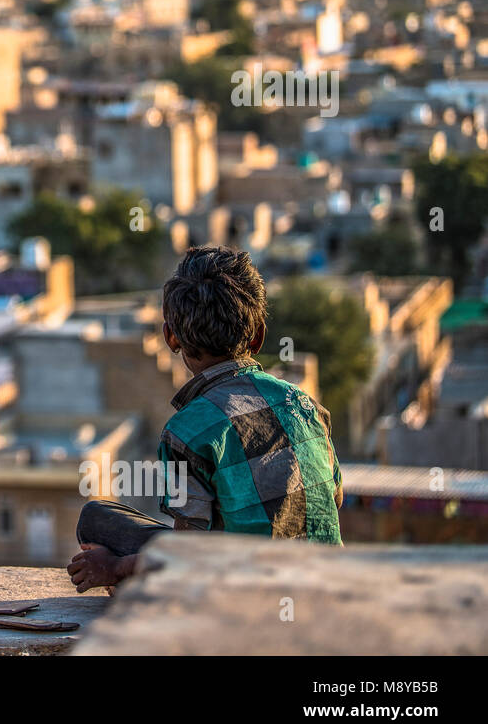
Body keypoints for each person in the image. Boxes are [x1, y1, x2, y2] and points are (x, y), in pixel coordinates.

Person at [67, 245, 344, 594]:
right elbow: (331, 503)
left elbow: (187, 554)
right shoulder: (304, 405)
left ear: (171, 338)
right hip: (326, 588)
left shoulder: (187, 431)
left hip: (243, 604)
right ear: (257, 335)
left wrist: (116, 567)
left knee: (97, 520)